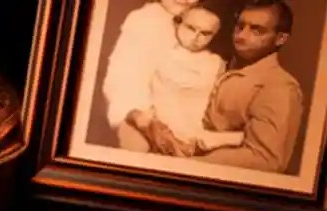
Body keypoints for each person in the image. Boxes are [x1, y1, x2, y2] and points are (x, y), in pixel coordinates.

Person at [195, 0, 304, 171]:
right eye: (240, 26)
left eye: (256, 30)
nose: (242, 36)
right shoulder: (217, 65)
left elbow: (264, 159)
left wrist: (189, 164)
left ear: (280, 38)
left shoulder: (278, 86)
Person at [102, 0, 201, 152]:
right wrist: (143, 119)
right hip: (140, 117)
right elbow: (122, 80)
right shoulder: (145, 20)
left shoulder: (191, 22)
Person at [147, 2, 246, 153]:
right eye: (191, 28)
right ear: (178, 23)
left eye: (205, 33)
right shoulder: (159, 52)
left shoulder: (216, 63)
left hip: (198, 134)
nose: (196, 37)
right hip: (162, 128)